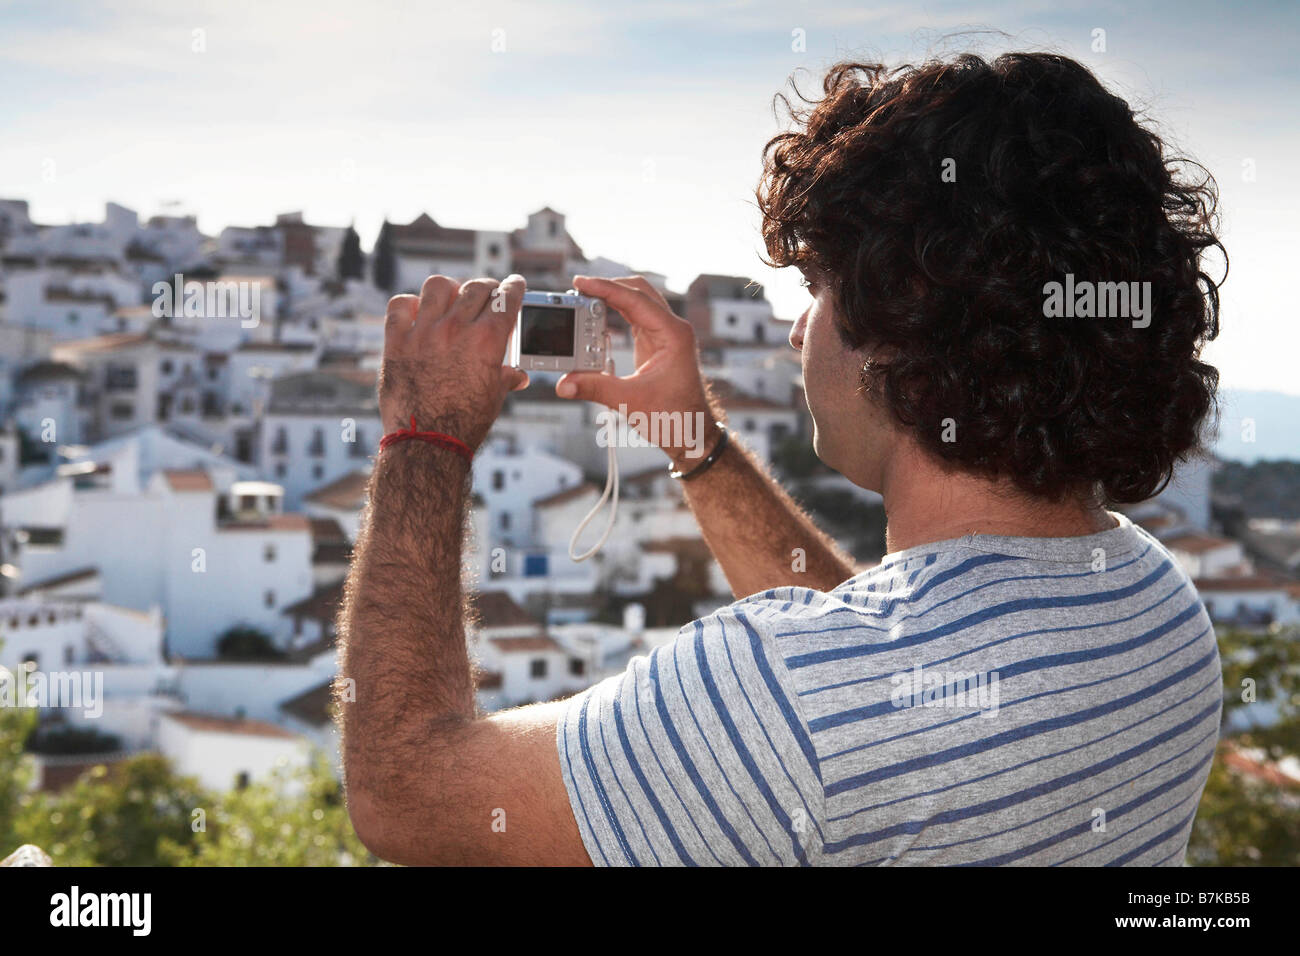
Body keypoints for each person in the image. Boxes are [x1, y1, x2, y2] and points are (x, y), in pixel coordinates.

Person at [337, 51, 1225, 866]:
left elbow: (404, 790)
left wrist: (427, 435)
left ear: (895, 334)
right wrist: (695, 444)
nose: (801, 327)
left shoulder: (794, 698)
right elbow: (873, 659)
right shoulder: (1157, 604)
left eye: (821, 290)